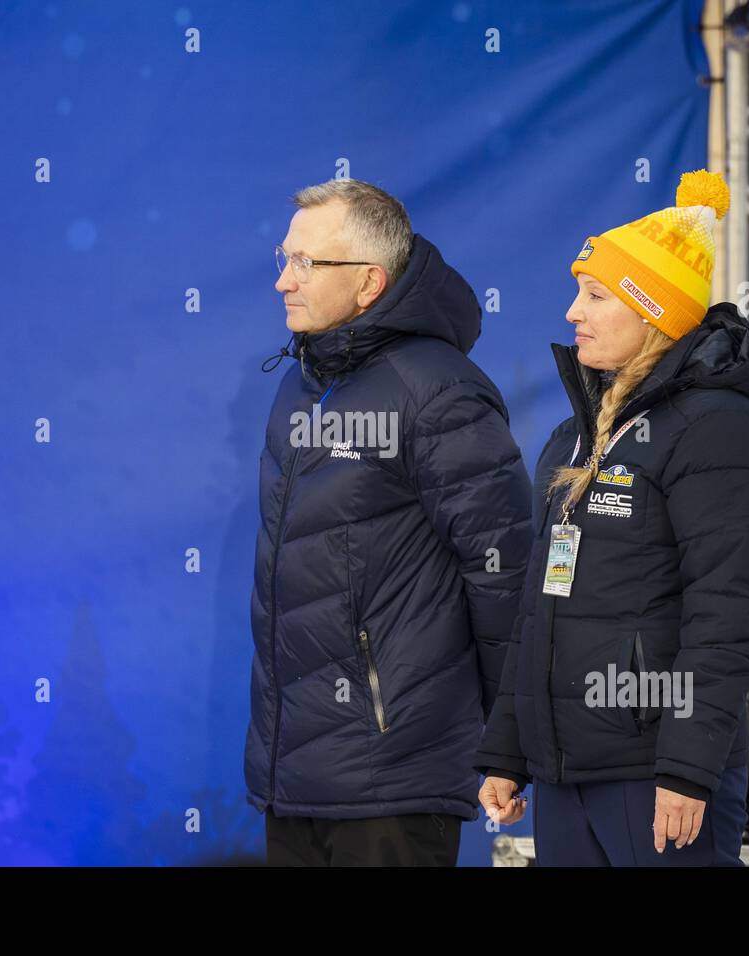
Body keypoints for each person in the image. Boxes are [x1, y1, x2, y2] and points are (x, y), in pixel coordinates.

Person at [474, 170, 749, 866]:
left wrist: (688, 768)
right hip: (567, 771)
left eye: (595, 294)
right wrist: (510, 751)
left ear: (654, 313)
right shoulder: (575, 435)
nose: (572, 312)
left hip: (655, 775)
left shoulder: (717, 428)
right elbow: (539, 607)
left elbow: (725, 611)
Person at [246, 179, 532, 866]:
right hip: (295, 781)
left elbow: (504, 576)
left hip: (395, 781)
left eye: (305, 262)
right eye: (284, 258)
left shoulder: (440, 390)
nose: (284, 280)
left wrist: (510, 743)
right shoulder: (304, 379)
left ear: (369, 282)